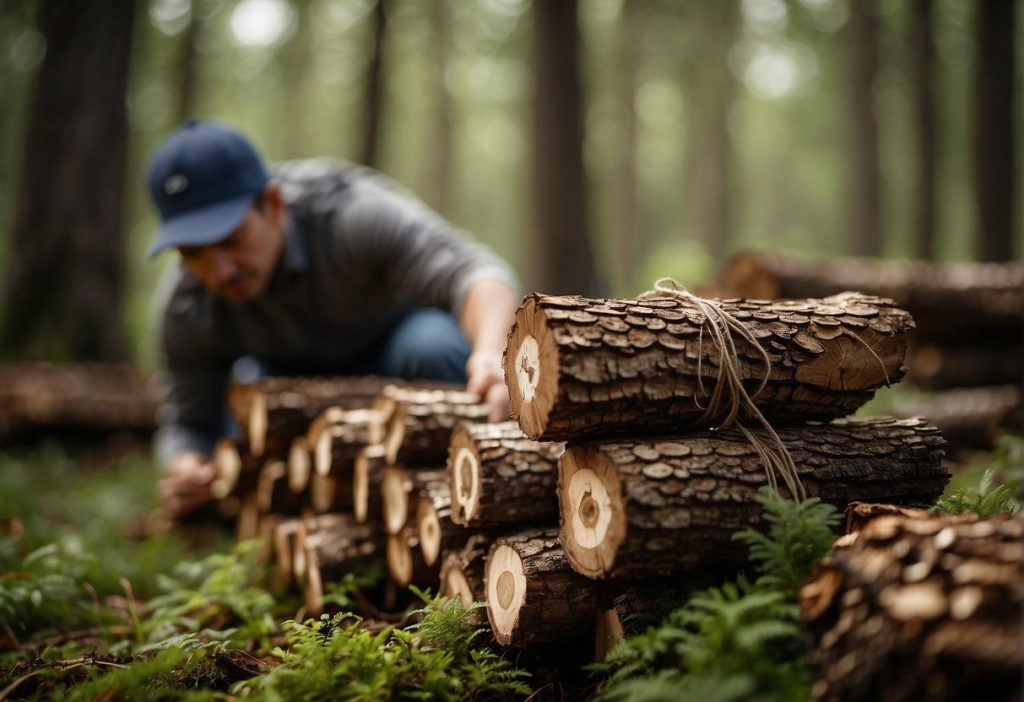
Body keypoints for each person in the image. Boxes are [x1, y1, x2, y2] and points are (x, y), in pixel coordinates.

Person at [146, 120, 520, 519]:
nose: (219, 272)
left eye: (230, 241)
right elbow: (189, 424)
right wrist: (184, 464)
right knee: (238, 412)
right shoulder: (185, 306)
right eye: (192, 253)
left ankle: (473, 493)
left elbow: (478, 276)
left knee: (435, 347)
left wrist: (492, 353)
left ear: (273, 205)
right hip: (280, 388)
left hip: (396, 355)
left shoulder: (351, 215)